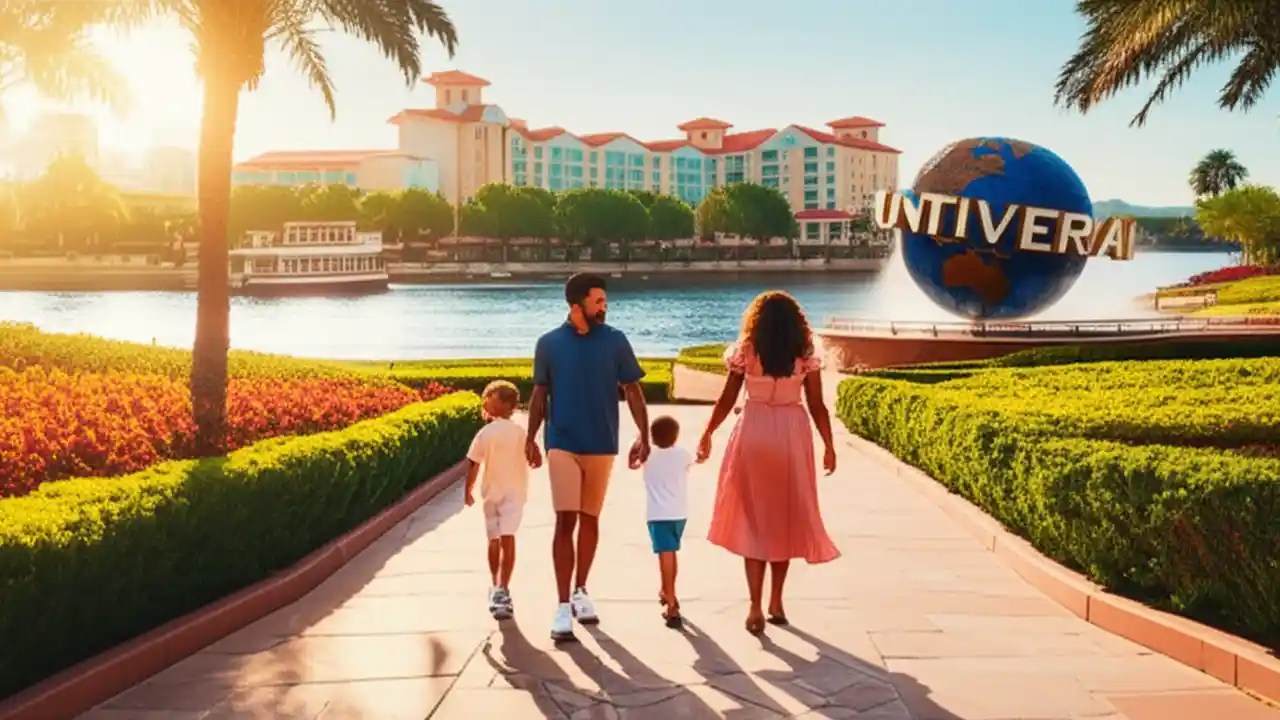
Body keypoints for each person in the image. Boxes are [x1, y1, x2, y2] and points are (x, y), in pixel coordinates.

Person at [696, 290, 840, 635]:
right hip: (791, 434)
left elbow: (728, 396)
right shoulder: (805, 352)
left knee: (753, 520)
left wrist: (707, 432)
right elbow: (817, 404)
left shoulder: (745, 351)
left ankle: (754, 606)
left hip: (754, 430)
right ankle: (777, 602)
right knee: (784, 519)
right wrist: (829, 445)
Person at [527, 272, 650, 641]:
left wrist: (644, 436)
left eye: (605, 301)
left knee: (590, 518)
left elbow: (633, 390)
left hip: (601, 443)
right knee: (565, 521)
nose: (604, 307)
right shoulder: (549, 343)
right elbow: (538, 394)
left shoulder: (615, 341)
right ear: (576, 304)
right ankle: (562, 606)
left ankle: (581, 590)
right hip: (562, 442)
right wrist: (531, 437)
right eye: (598, 301)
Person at [464, 380, 529, 621]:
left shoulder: (486, 433)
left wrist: (468, 490)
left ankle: (497, 585)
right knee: (506, 538)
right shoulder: (520, 433)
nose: (485, 402)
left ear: (504, 404)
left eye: (489, 398)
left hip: (492, 493)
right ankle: (502, 587)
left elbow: (473, 463)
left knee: (495, 539)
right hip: (515, 492)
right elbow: (533, 455)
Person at [642, 415, 696, 629]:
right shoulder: (682, 454)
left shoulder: (648, 455)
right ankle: (666, 590)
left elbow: (631, 460)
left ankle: (672, 605)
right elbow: (694, 460)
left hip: (658, 515)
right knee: (671, 553)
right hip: (679, 514)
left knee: (666, 555)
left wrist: (641, 438)